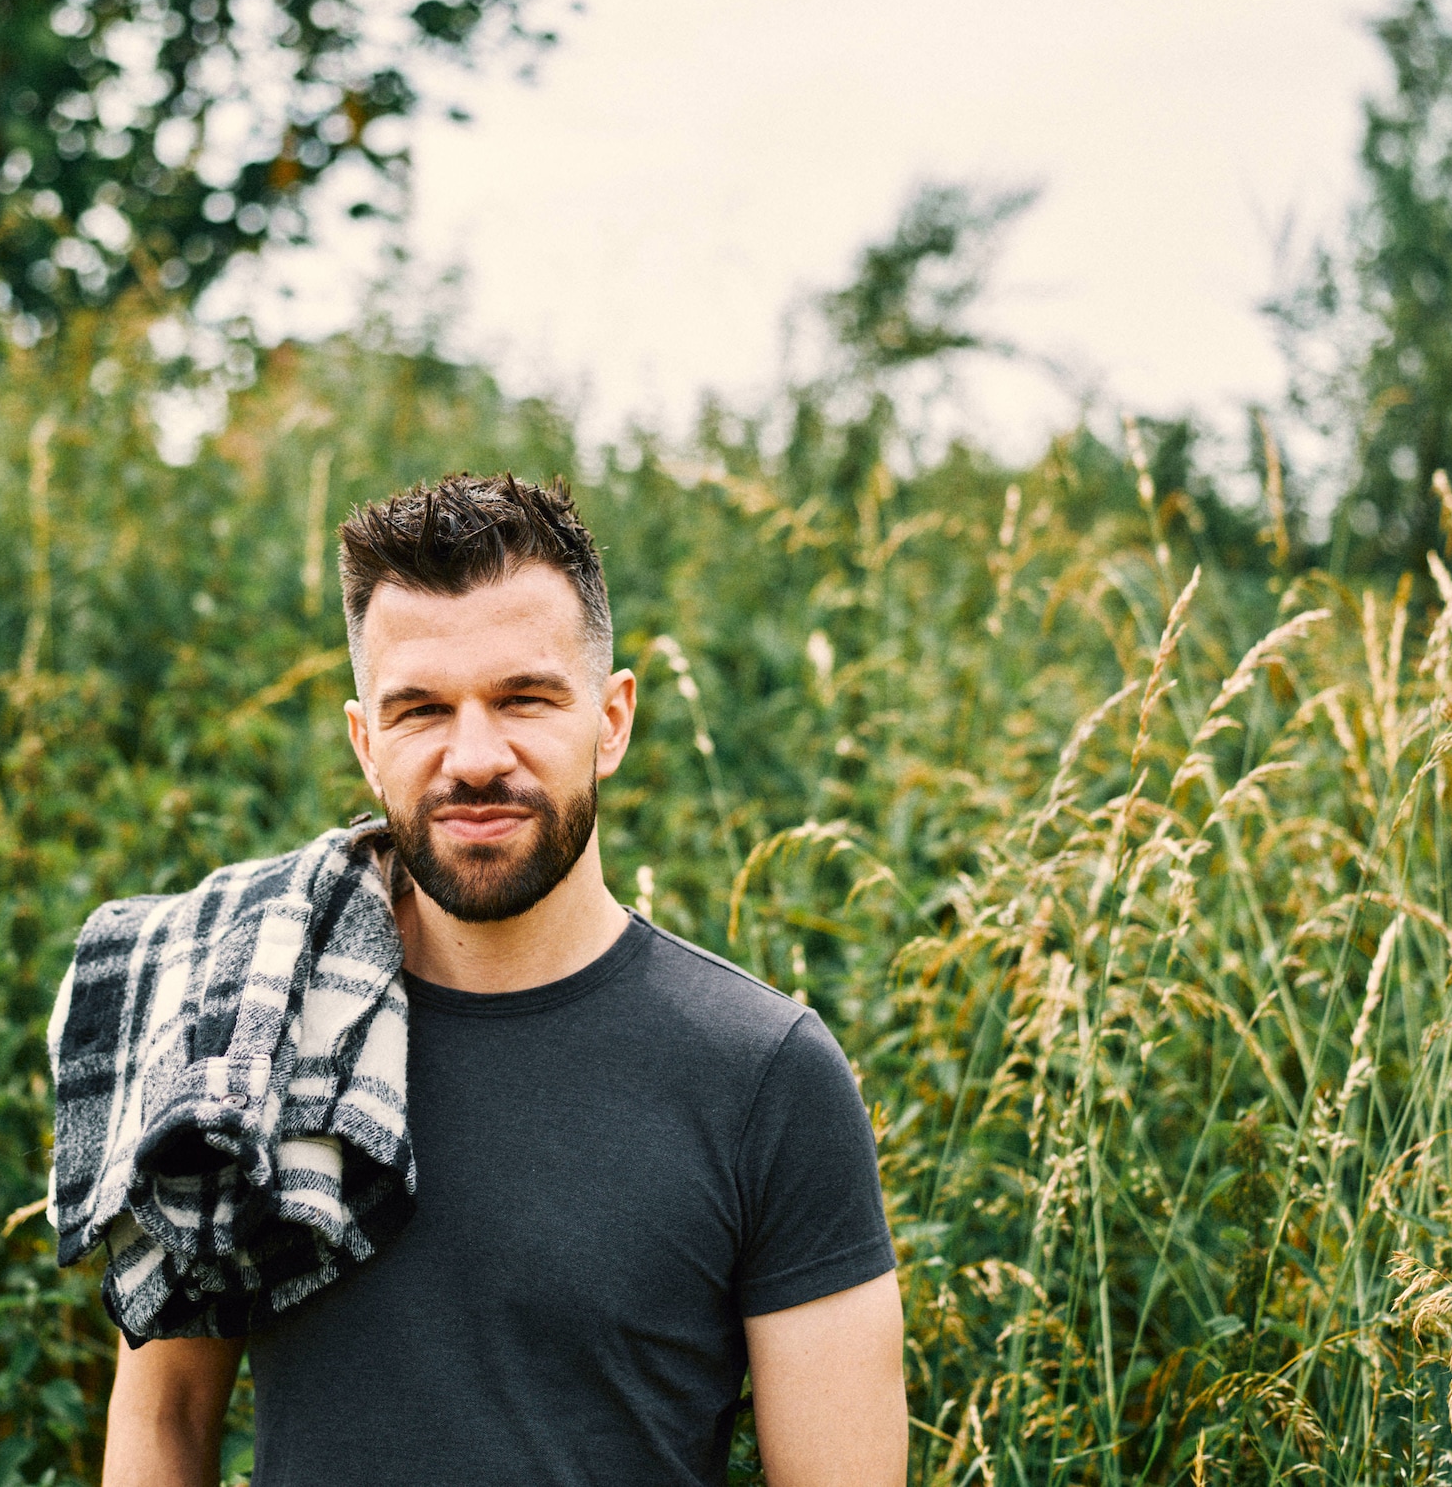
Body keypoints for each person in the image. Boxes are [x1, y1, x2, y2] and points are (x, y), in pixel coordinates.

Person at [101, 473, 906, 1486]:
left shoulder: (763, 1078)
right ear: (364, 741)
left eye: (523, 698)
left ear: (610, 721)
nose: (473, 757)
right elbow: (165, 1416)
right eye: (420, 710)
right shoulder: (244, 1023)